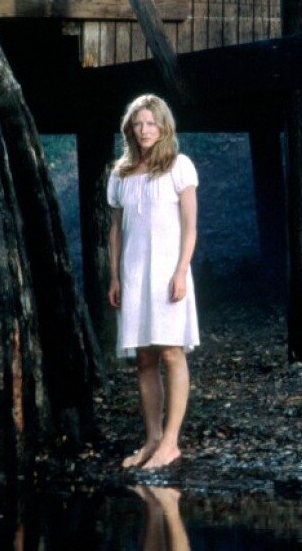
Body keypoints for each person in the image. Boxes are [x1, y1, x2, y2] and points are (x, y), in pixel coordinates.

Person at [106, 93, 199, 469]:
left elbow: (191, 227)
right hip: (133, 273)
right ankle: (152, 440)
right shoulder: (120, 173)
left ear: (163, 127)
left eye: (150, 123)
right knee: (144, 358)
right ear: (130, 128)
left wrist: (181, 271)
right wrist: (114, 276)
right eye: (138, 124)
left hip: (168, 272)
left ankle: (171, 443)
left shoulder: (179, 166)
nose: (144, 130)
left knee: (171, 352)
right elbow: (115, 230)